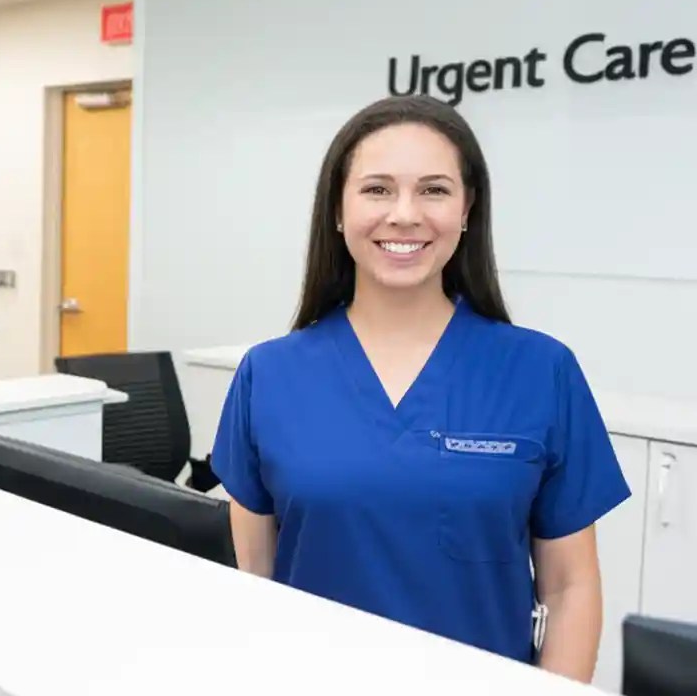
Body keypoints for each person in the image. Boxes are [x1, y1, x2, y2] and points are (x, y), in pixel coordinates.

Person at [210, 94, 630, 684]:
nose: (404, 214)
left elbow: (569, 587)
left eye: (433, 189)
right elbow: (254, 574)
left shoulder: (541, 371)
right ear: (337, 209)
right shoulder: (269, 375)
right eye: (377, 189)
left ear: (467, 210)